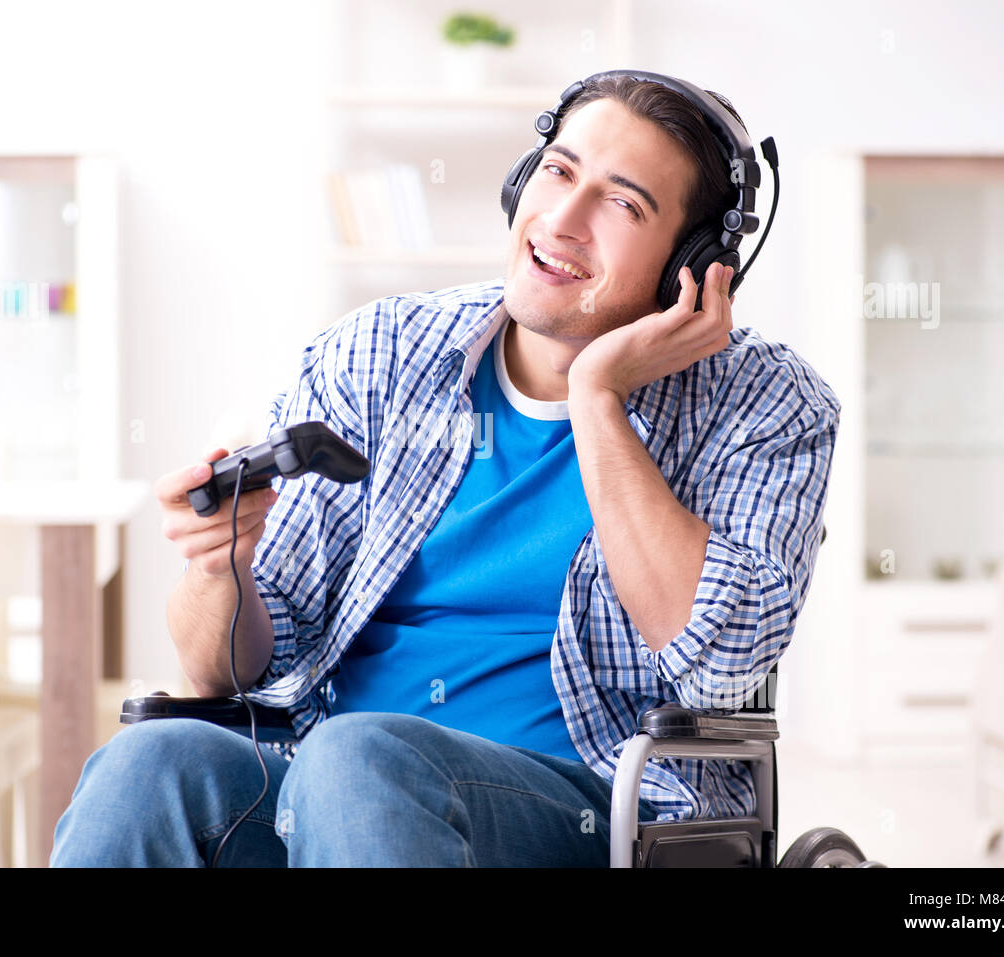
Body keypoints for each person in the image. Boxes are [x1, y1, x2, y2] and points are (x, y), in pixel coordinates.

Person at [50, 71, 840, 867]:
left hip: (592, 814)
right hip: (324, 791)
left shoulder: (768, 403)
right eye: (559, 172)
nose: (562, 220)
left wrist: (597, 396)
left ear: (694, 265)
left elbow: (719, 658)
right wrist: (219, 565)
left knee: (360, 761)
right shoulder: (384, 352)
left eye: (623, 203)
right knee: (144, 762)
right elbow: (233, 666)